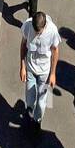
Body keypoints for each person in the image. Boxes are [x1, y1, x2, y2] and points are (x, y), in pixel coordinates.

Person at [20, 10, 60, 138]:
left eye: (39, 32)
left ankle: (37, 123)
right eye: (35, 31)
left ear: (44, 26)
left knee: (42, 103)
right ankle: (29, 116)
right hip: (31, 69)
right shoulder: (27, 26)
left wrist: (53, 73)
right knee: (30, 99)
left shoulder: (52, 31)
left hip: (44, 72)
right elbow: (23, 45)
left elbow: (55, 51)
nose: (36, 34)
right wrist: (22, 66)